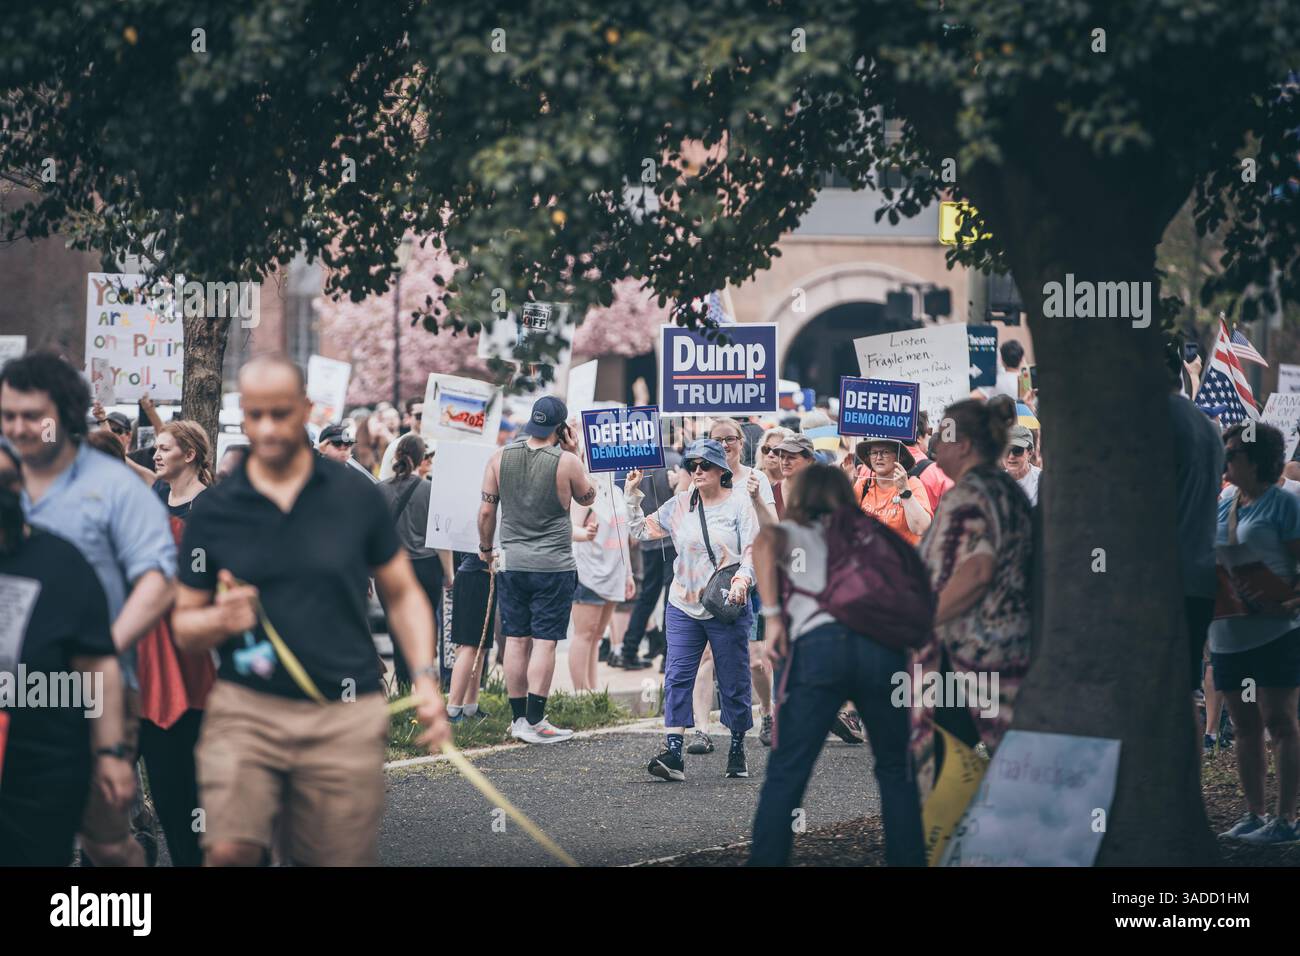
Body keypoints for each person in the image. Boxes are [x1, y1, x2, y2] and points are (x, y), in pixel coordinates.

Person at [171, 355, 449, 866]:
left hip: (344, 709)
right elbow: (184, 625)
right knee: (229, 850)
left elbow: (403, 592)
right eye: (255, 415)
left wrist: (427, 680)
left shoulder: (353, 494)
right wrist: (220, 619)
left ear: (304, 409)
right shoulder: (216, 508)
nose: (268, 428)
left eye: (281, 413)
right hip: (248, 705)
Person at [1, 352, 176, 867]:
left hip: (90, 689)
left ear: (68, 416)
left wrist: (98, 649)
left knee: (101, 839)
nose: (17, 427)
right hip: (12, 692)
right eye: (7, 415)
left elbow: (158, 582)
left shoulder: (115, 489)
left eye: (32, 416)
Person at [748, 465, 926, 866]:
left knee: (787, 770)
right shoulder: (873, 534)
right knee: (897, 770)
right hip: (883, 653)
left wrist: (774, 616)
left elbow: (765, 541)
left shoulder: (795, 532)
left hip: (819, 651)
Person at [0, 443, 134, 866]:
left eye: (6, 481)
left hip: (40, 771)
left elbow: (98, 665)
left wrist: (110, 753)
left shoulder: (62, 563)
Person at [914, 397, 1032, 797]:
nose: (935, 447)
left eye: (943, 438)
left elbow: (977, 571)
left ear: (963, 444)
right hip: (997, 649)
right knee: (995, 757)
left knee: (948, 764)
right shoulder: (1002, 489)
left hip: (971, 653)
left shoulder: (972, 493)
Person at [626, 438, 758, 781]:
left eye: (705, 465)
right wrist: (632, 494)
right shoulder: (679, 504)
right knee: (677, 676)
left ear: (721, 471)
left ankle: (737, 746)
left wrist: (743, 581)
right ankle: (673, 753)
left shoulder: (739, 505)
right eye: (692, 466)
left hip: (726, 603)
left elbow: (753, 552)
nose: (697, 471)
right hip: (682, 603)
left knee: (733, 681)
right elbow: (641, 531)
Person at [478, 395, 594, 744]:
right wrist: (574, 454)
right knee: (544, 641)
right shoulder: (565, 462)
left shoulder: (499, 458)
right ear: (561, 429)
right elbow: (588, 499)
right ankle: (537, 719)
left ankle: (518, 721)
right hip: (553, 564)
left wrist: (486, 549)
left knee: (516, 638)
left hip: (511, 560)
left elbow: (486, 513)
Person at [1210, 422, 1300, 845]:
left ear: (1256, 460)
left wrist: (1287, 602)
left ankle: (1285, 819)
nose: (1226, 460)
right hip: (1229, 636)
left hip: (1274, 635)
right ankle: (1253, 813)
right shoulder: (1226, 502)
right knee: (1245, 726)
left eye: (1233, 453)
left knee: (1279, 721)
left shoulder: (1284, 504)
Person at [134, 420, 217, 867]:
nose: (157, 454)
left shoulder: (210, 507)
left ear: (190, 454)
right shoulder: (153, 499)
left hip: (196, 656)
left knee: (188, 785)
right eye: (155, 448)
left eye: (165, 448)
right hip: (147, 655)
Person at [692, 418, 778, 749]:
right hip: (711, 580)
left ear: (742, 443)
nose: (725, 445)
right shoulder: (698, 481)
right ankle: (701, 729)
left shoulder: (756, 480)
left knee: (756, 660)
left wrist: (757, 499)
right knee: (706, 657)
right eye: (718, 440)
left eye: (730, 439)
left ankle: (767, 713)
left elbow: (774, 526)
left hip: (752, 577)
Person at [1165, 343, 1227, 757]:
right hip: (1202, 576)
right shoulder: (1209, 427)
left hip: (1166, 576)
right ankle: (1180, 786)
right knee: (1184, 687)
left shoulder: (1160, 420)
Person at [377, 433, 455, 688]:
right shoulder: (430, 490)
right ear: (422, 459)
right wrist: (449, 574)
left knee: (397, 627)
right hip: (426, 567)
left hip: (390, 569)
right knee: (425, 625)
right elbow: (441, 538)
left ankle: (402, 684)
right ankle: (423, 683)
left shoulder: (380, 490)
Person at [617, 444, 683, 670]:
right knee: (669, 598)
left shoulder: (643, 459)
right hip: (667, 537)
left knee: (648, 596)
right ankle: (667, 655)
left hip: (649, 537)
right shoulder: (677, 459)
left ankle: (629, 649)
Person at [570, 472, 635, 691]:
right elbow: (570, 528)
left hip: (614, 572)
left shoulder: (616, 491)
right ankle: (581, 695)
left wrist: (628, 574)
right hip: (589, 572)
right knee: (585, 634)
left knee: (597, 635)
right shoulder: (583, 490)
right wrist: (585, 532)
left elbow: (623, 535)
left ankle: (593, 690)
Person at [853, 438, 933, 545]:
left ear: (898, 457)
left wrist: (904, 491)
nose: (879, 457)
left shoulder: (912, 484)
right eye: (874, 453)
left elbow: (922, 528)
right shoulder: (863, 485)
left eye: (885, 452)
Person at [903, 412, 954, 512]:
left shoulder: (872, 468)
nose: (929, 437)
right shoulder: (938, 472)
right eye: (928, 433)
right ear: (918, 438)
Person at [1000, 425, 1041, 506]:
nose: (1011, 456)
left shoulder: (1041, 480)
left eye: (1017, 450)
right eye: (1006, 450)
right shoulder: (996, 482)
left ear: (1030, 453)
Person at [757, 427, 790, 511]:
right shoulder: (753, 479)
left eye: (777, 450)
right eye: (766, 449)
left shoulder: (795, 485)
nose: (770, 454)